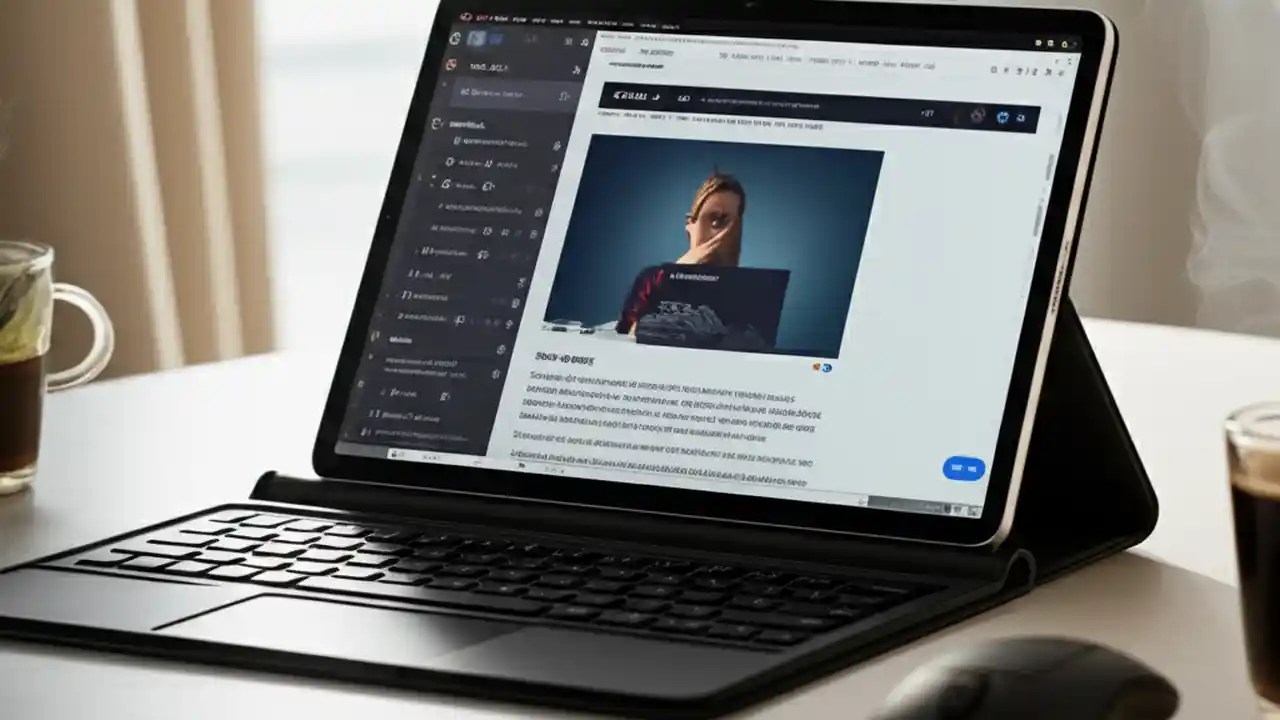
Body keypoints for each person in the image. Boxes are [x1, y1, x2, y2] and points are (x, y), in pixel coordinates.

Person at [617, 172, 747, 335]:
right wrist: (677, 273)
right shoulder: (653, 279)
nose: (721, 235)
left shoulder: (745, 294)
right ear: (690, 224)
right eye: (714, 219)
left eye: (731, 225)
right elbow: (626, 339)